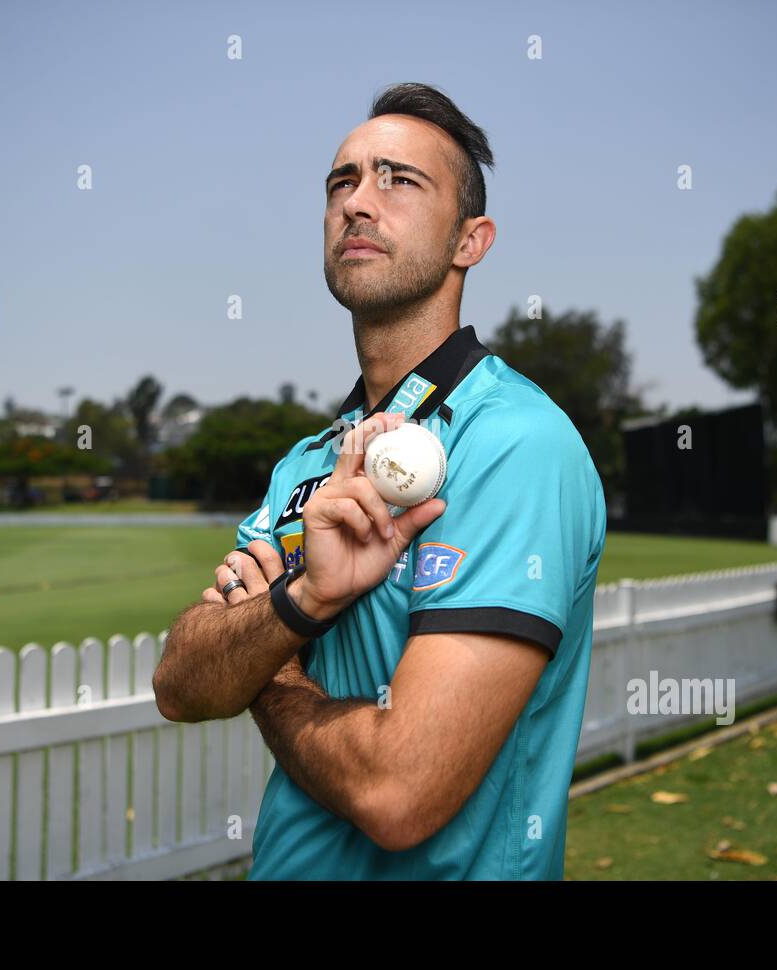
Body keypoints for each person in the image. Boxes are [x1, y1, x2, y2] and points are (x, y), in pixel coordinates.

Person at [152, 82, 606, 879]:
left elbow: (400, 792)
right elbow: (181, 683)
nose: (359, 203)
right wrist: (303, 603)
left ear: (472, 240)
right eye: (343, 181)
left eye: (399, 180)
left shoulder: (515, 442)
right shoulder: (308, 462)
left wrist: (269, 668)